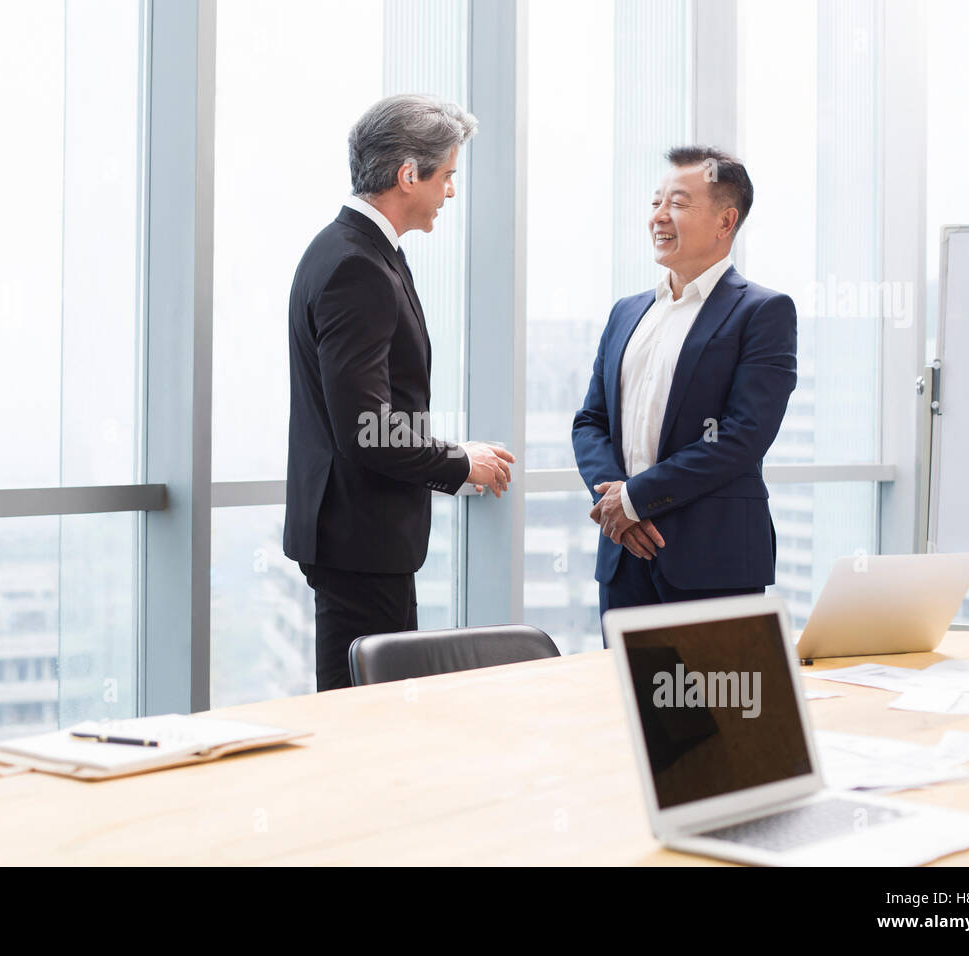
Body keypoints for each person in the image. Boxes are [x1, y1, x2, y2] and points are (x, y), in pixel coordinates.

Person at [285, 94, 516, 690]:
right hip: (360, 537)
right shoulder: (356, 265)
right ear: (408, 174)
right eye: (447, 176)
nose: (451, 193)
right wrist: (460, 461)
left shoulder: (354, 251)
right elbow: (367, 426)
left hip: (358, 536)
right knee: (364, 721)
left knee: (369, 711)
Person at [572, 146, 796, 621]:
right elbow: (590, 422)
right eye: (656, 202)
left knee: (714, 697)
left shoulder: (762, 312)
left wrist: (635, 499)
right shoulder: (627, 312)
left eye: (677, 203)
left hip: (713, 562)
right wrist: (614, 502)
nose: (659, 216)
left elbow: (742, 437)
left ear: (725, 221)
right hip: (624, 555)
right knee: (627, 695)